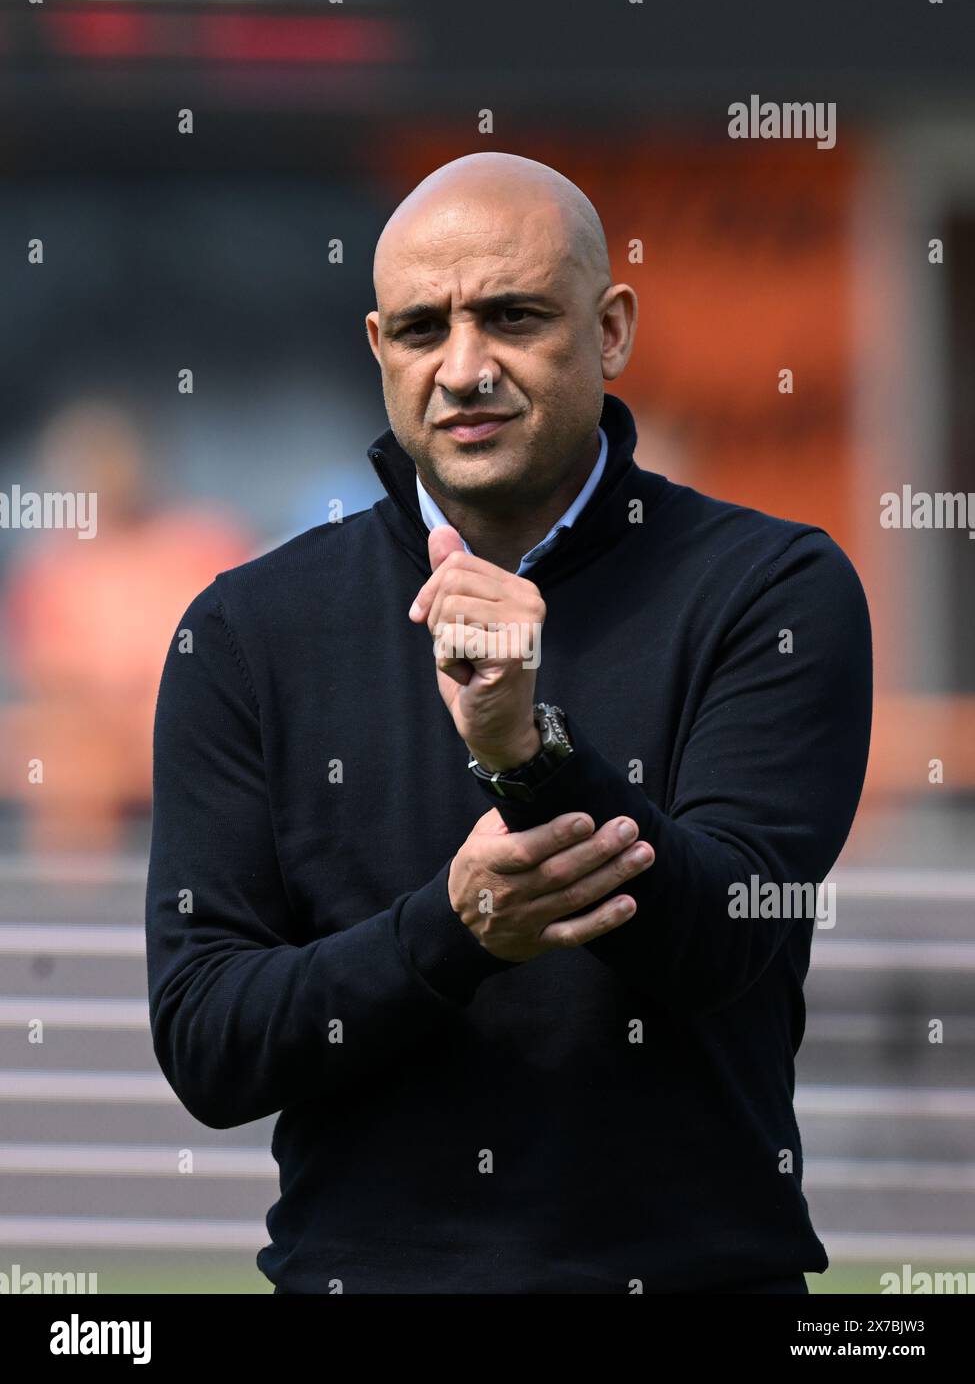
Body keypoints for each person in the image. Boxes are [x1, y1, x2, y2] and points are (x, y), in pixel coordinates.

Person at [145, 152, 872, 1294]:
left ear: (613, 329)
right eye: (425, 328)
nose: (465, 367)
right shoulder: (247, 628)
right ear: (379, 347)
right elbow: (209, 1043)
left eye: (514, 317)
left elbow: (725, 936)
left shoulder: (771, 587)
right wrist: (450, 929)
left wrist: (526, 758)